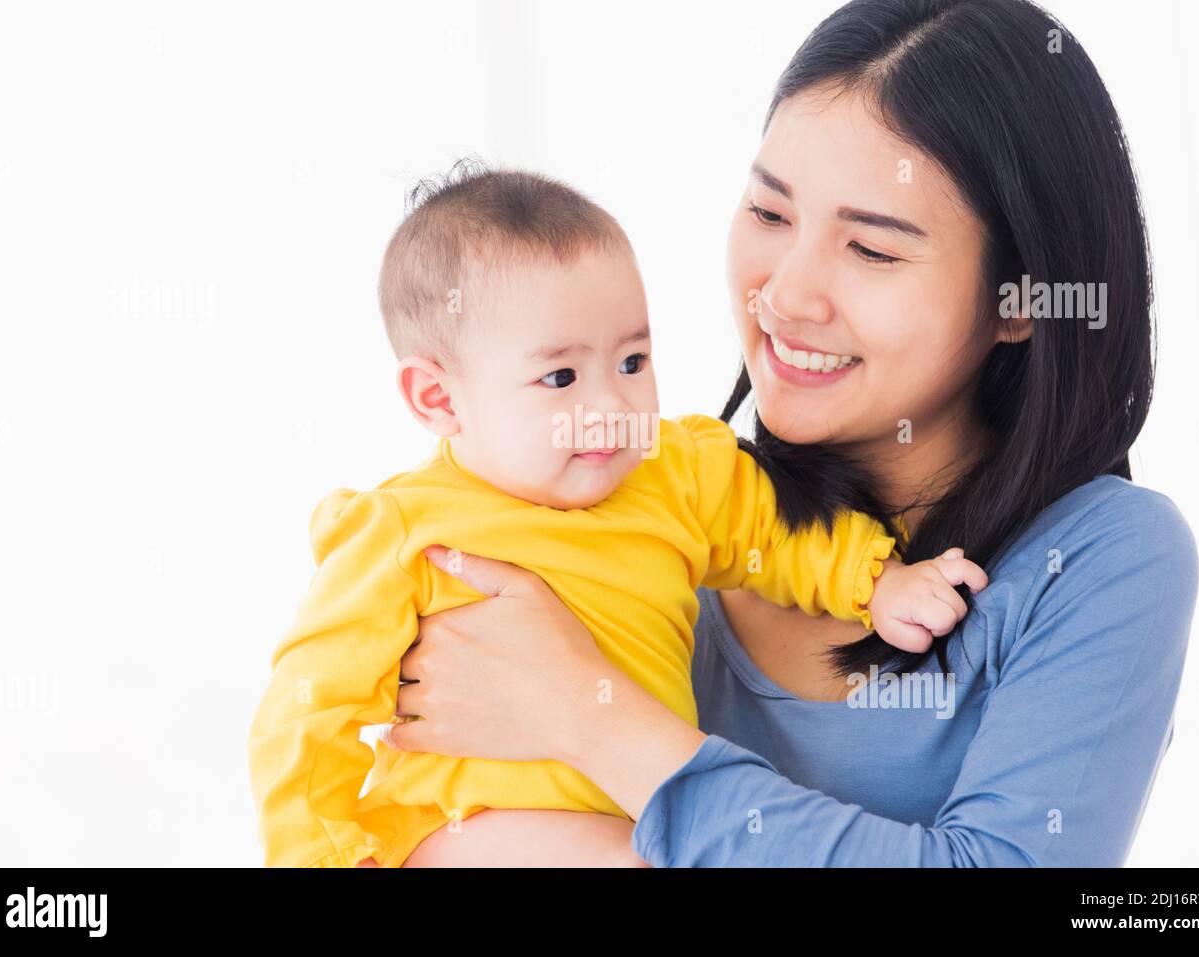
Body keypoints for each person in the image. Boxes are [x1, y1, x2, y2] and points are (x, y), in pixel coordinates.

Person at [387, 0, 1199, 867]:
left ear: (1021, 302)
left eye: (873, 251)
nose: (783, 296)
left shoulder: (1100, 559)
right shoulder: (641, 497)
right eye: (771, 215)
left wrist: (592, 717)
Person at [245, 162, 985, 867]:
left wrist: (878, 581)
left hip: (638, 808)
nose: (611, 405)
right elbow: (306, 712)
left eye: (633, 360)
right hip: (464, 829)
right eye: (560, 376)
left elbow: (777, 529)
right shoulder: (404, 532)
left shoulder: (677, 470)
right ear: (439, 399)